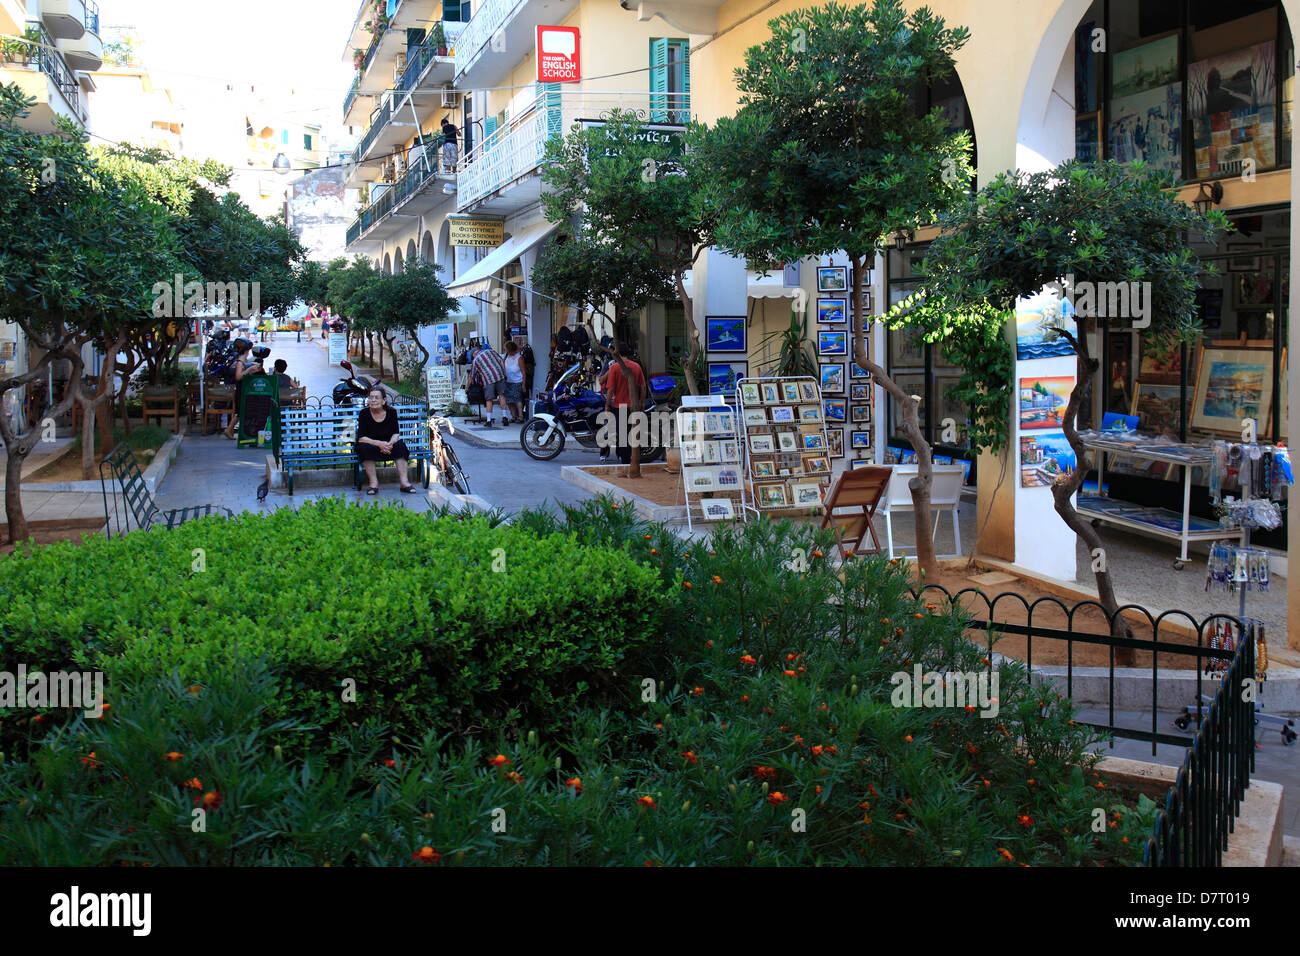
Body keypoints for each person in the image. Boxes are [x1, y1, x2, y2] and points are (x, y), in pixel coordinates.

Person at [356, 386, 414, 494]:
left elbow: (396, 434)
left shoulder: (391, 412)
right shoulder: (364, 413)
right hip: (371, 444)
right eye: (371, 397)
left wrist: (390, 444)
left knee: (400, 446)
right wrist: (379, 444)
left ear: (384, 400)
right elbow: (361, 438)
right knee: (364, 449)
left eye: (376, 398)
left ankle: (404, 482)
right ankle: (373, 484)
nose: (373, 400)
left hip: (388, 445)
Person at [603, 342, 646, 466]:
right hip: (634, 406)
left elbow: (610, 390)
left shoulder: (615, 368)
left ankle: (626, 462)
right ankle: (632, 460)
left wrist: (606, 406)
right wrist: (641, 403)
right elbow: (643, 387)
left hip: (619, 406)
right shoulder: (637, 367)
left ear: (617, 353)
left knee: (622, 435)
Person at [222, 339, 263, 440]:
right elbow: (238, 376)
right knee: (241, 411)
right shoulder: (240, 362)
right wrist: (249, 369)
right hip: (241, 389)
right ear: (246, 351)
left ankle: (230, 430)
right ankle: (229, 429)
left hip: (243, 388)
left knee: (240, 412)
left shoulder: (243, 361)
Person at [469, 339, 507, 427]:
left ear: (474, 354)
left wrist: (467, 388)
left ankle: (489, 420)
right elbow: (501, 361)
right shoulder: (491, 351)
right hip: (499, 375)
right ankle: (505, 416)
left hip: (488, 380)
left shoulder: (475, 360)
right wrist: (504, 372)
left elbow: (471, 376)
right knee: (502, 395)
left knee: (489, 399)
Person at [502, 340, 526, 424]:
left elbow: (523, 372)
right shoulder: (506, 357)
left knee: (517, 399)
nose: (505, 351)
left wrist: (523, 384)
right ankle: (513, 416)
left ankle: (520, 416)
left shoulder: (519, 358)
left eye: (506, 349)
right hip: (508, 381)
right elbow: (503, 366)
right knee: (509, 400)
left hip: (517, 381)